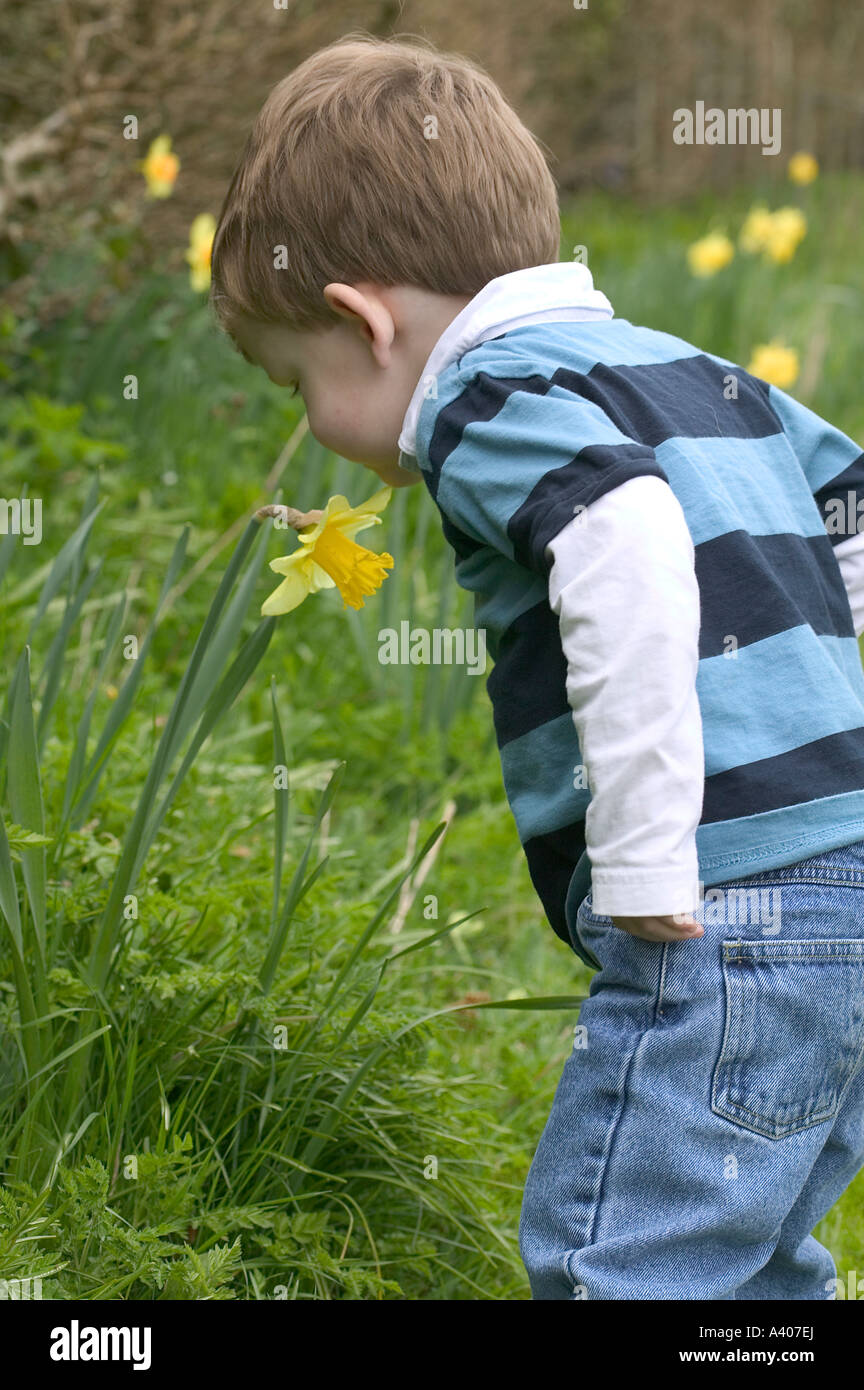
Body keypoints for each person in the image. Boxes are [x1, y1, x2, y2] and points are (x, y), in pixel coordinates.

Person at [209, 32, 864, 1299]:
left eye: (300, 382)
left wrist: (645, 851)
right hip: (847, 884)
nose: (310, 424)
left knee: (625, 1266)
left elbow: (617, 536)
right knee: (754, 1264)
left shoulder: (480, 396)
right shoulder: (694, 369)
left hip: (730, 908)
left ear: (362, 319)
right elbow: (852, 507)